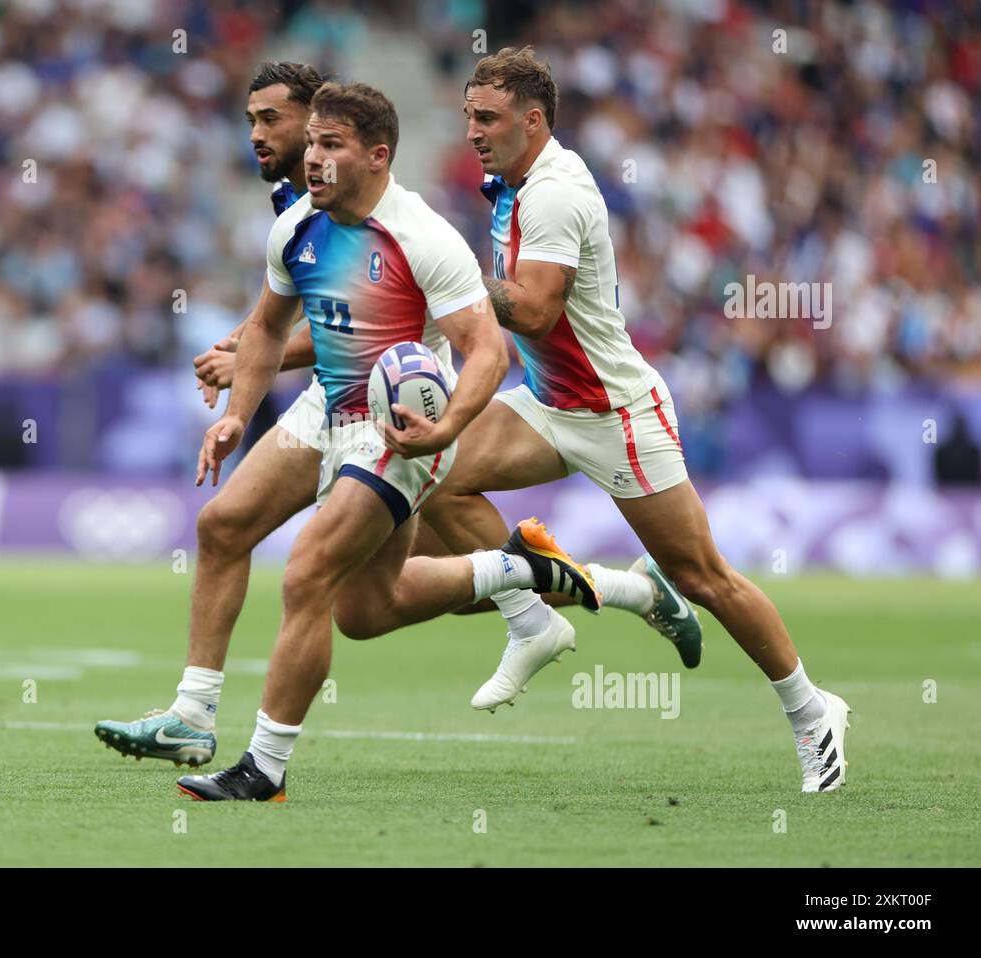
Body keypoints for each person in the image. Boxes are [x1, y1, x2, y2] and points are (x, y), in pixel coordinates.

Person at [336, 47, 851, 793]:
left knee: (704, 574)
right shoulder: (508, 180)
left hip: (614, 412)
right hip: (548, 403)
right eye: (468, 116)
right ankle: (531, 618)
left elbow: (537, 308)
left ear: (533, 121)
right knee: (435, 474)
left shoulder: (553, 193)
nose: (472, 131)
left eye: (488, 118)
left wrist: (455, 284)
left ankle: (813, 712)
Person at [175, 82, 590, 801]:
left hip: (400, 434)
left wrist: (447, 430)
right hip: (326, 419)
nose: (314, 158)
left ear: (377, 155)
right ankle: (522, 571)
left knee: (306, 573)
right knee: (361, 609)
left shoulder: (424, 239)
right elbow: (268, 329)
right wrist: (239, 415)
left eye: (331, 145)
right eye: (313, 144)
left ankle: (262, 768)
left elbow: (487, 352)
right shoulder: (297, 227)